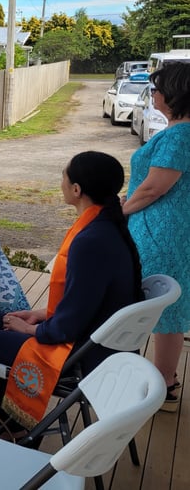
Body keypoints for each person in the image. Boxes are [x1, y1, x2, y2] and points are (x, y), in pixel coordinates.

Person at [0, 151, 142, 431]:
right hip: (97, 333)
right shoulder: (107, 224)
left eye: (64, 177)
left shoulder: (91, 240)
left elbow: (67, 327)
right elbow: (88, 298)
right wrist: (40, 314)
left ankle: (8, 430)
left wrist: (32, 329)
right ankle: (9, 415)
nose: (62, 183)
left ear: (77, 190)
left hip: (84, 352)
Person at [123, 61, 190, 412]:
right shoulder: (180, 132)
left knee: (155, 304)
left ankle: (161, 383)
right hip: (169, 228)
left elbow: (153, 189)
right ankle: (167, 380)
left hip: (160, 232)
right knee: (169, 310)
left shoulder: (179, 135)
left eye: (158, 89)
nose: (155, 94)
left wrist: (118, 212)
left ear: (175, 96)